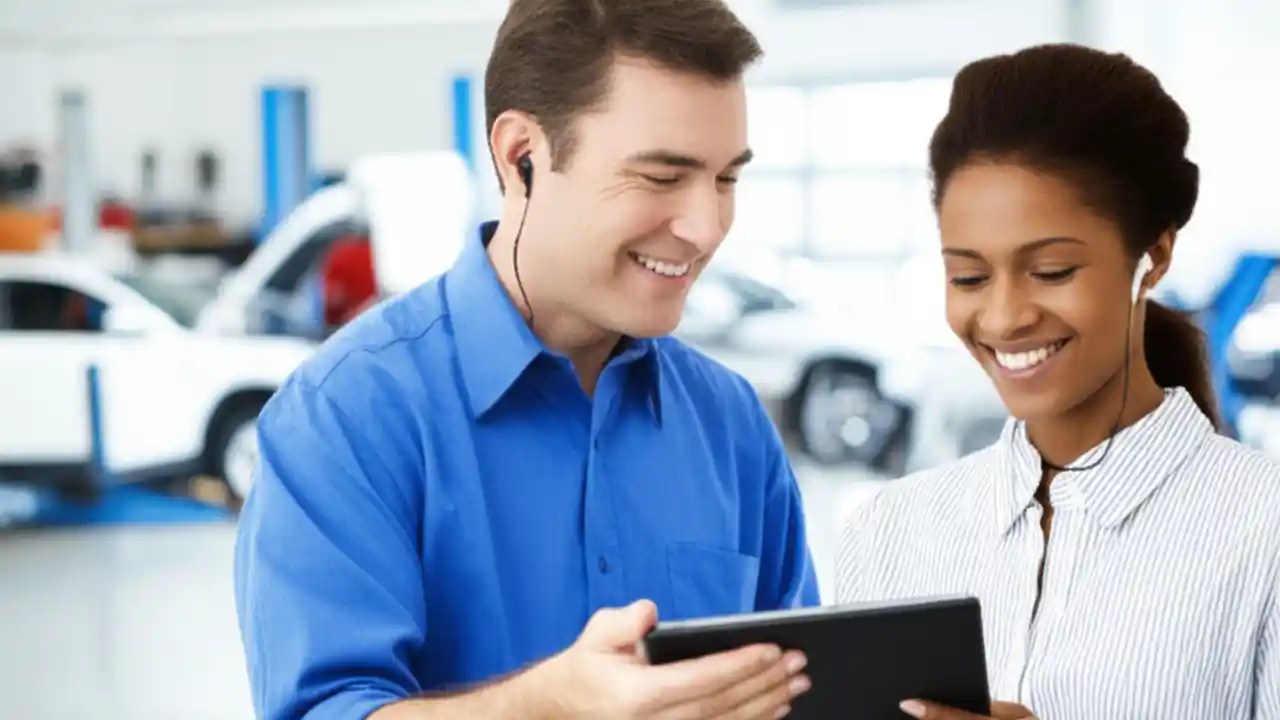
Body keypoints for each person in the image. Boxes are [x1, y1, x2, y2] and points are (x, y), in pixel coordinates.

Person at [234, 1, 819, 719]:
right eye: (663, 178)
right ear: (522, 159)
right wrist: (547, 709)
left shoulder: (730, 425)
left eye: (726, 179)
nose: (706, 228)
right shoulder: (343, 417)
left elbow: (797, 692)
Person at [836, 44, 1280, 720]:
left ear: (1153, 255)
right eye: (969, 277)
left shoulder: (1263, 529)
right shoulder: (889, 531)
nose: (1005, 316)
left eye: (1051, 271)